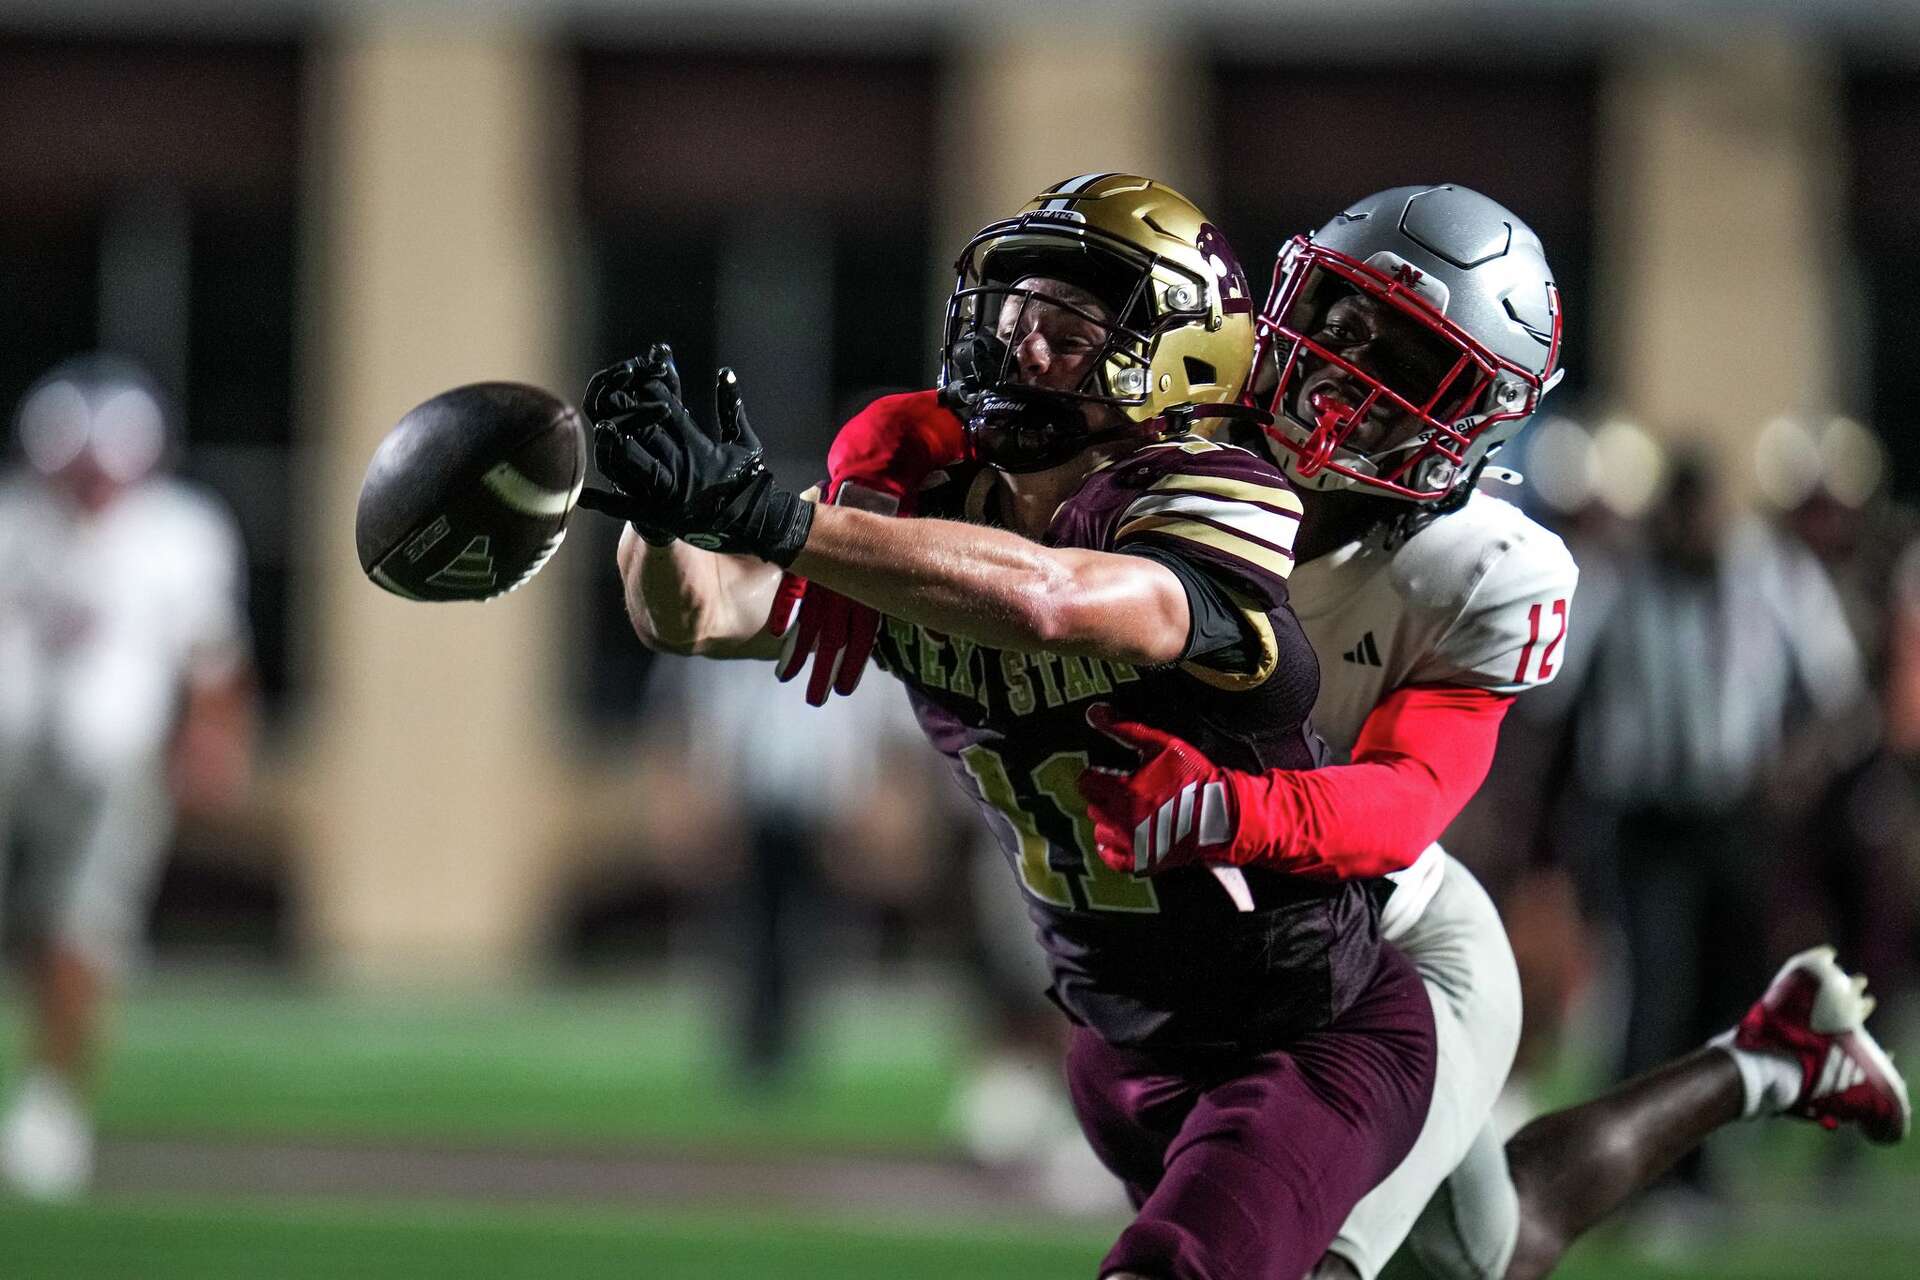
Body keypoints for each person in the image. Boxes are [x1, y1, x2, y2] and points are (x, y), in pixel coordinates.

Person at [771, 185, 1909, 1280]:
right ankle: (1771, 1057)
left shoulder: (1481, 571)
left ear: (1479, 410)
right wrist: (860, 490)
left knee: (1306, 1258)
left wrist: (1225, 808)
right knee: (1489, 1249)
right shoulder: (1194, 411)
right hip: (1223, 950)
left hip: (1397, 940)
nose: (1340, 369)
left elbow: (1408, 802)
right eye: (1338, 313)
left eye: (1406, 358)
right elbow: (938, 418)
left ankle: (1770, 1057)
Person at [586, 174, 1438, 1280]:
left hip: (1303, 1030)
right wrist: (663, 517)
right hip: (1112, 1043)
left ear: (1176, 355)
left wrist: (782, 519)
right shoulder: (926, 520)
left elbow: (1053, 601)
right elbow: (695, 615)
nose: (1021, 348)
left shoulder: (1217, 491)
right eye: (1015, 315)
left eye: (1069, 331)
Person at [0, 355, 255, 1200]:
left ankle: (51, 1106)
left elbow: (213, 659)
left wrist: (211, 741)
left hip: (112, 764)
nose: (90, 488)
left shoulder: (178, 533)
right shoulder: (13, 525)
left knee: (80, 930)